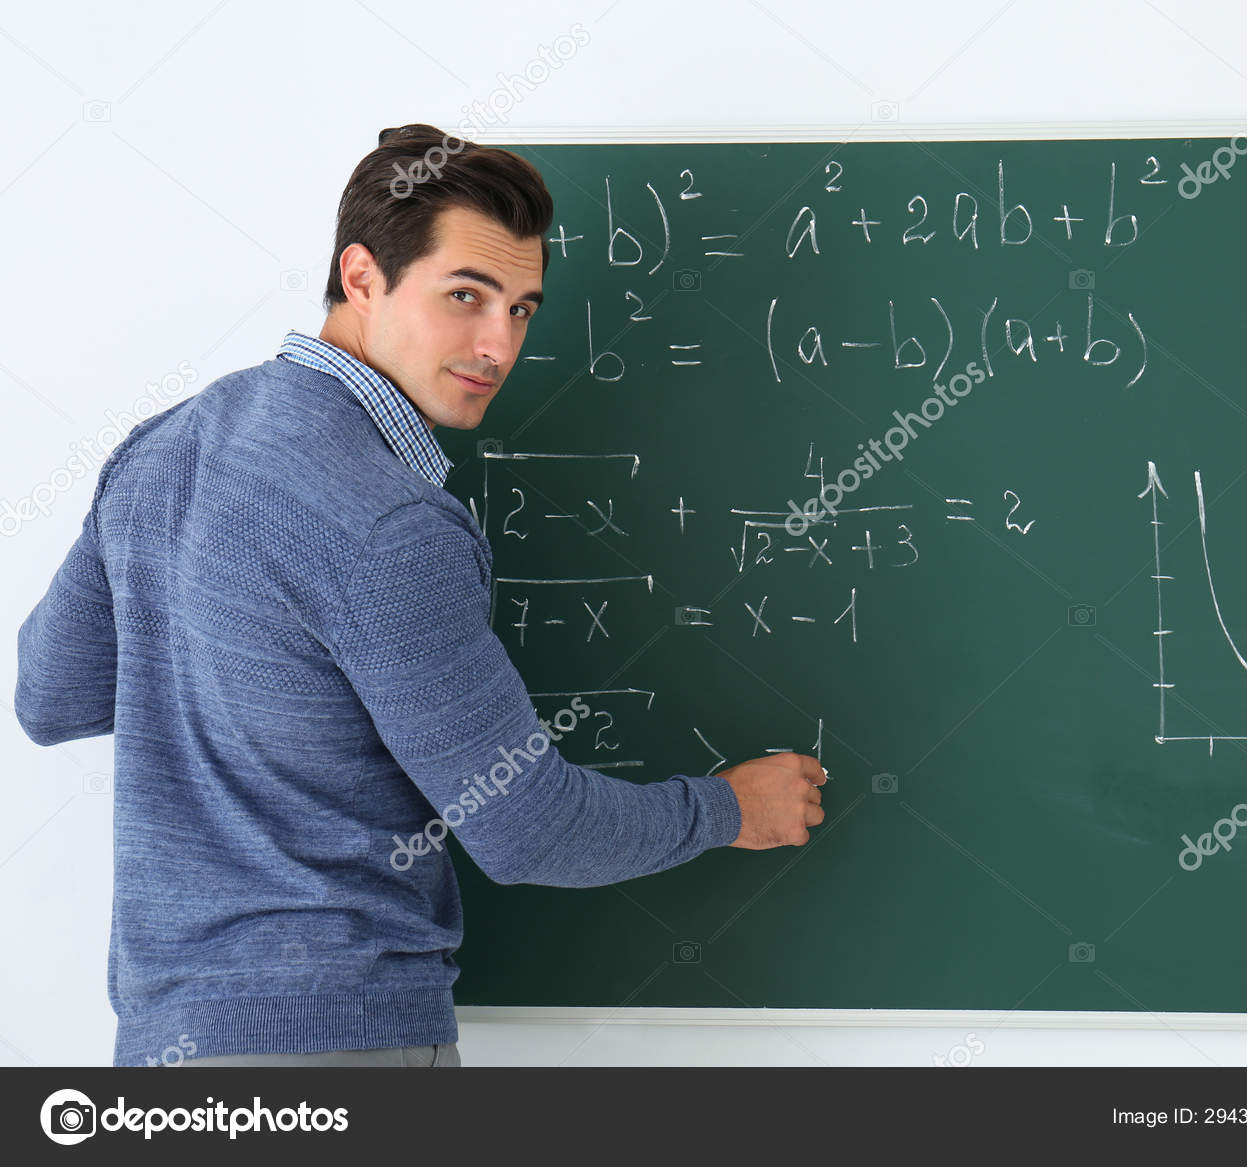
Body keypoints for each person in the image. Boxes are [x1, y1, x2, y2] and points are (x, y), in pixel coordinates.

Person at [14, 124, 824, 1068]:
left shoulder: (163, 447)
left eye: (523, 309)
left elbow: (50, 696)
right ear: (361, 277)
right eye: (466, 296)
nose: (498, 343)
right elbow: (527, 828)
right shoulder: (389, 520)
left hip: (162, 1054)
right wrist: (729, 808)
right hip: (337, 1046)